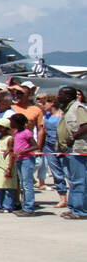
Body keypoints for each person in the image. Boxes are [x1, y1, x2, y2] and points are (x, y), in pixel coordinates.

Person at [55, 86, 87, 220]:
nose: (58, 97)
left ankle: (81, 211)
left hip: (78, 149)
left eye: (60, 94)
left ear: (68, 96)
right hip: (69, 150)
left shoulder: (78, 108)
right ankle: (74, 207)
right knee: (73, 181)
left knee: (79, 180)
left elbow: (85, 125)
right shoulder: (67, 109)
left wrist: (73, 137)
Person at [38, 94, 67, 207]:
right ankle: (63, 198)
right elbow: (43, 131)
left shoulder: (62, 115)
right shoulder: (47, 116)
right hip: (49, 146)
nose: (43, 106)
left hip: (61, 146)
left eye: (45, 103)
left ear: (52, 103)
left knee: (67, 172)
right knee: (56, 173)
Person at [10, 112, 38, 216]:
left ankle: (29, 208)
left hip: (26, 160)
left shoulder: (27, 133)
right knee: (22, 184)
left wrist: (24, 151)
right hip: (19, 160)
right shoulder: (16, 132)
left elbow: (35, 146)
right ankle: (25, 205)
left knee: (27, 184)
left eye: (12, 122)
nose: (10, 123)